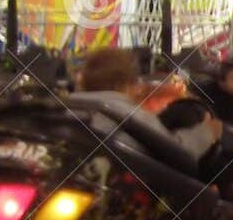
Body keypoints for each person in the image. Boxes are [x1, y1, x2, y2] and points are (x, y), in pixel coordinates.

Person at [75, 47, 223, 164]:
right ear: (128, 84)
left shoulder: (67, 108)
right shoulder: (128, 115)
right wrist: (207, 132)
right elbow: (177, 153)